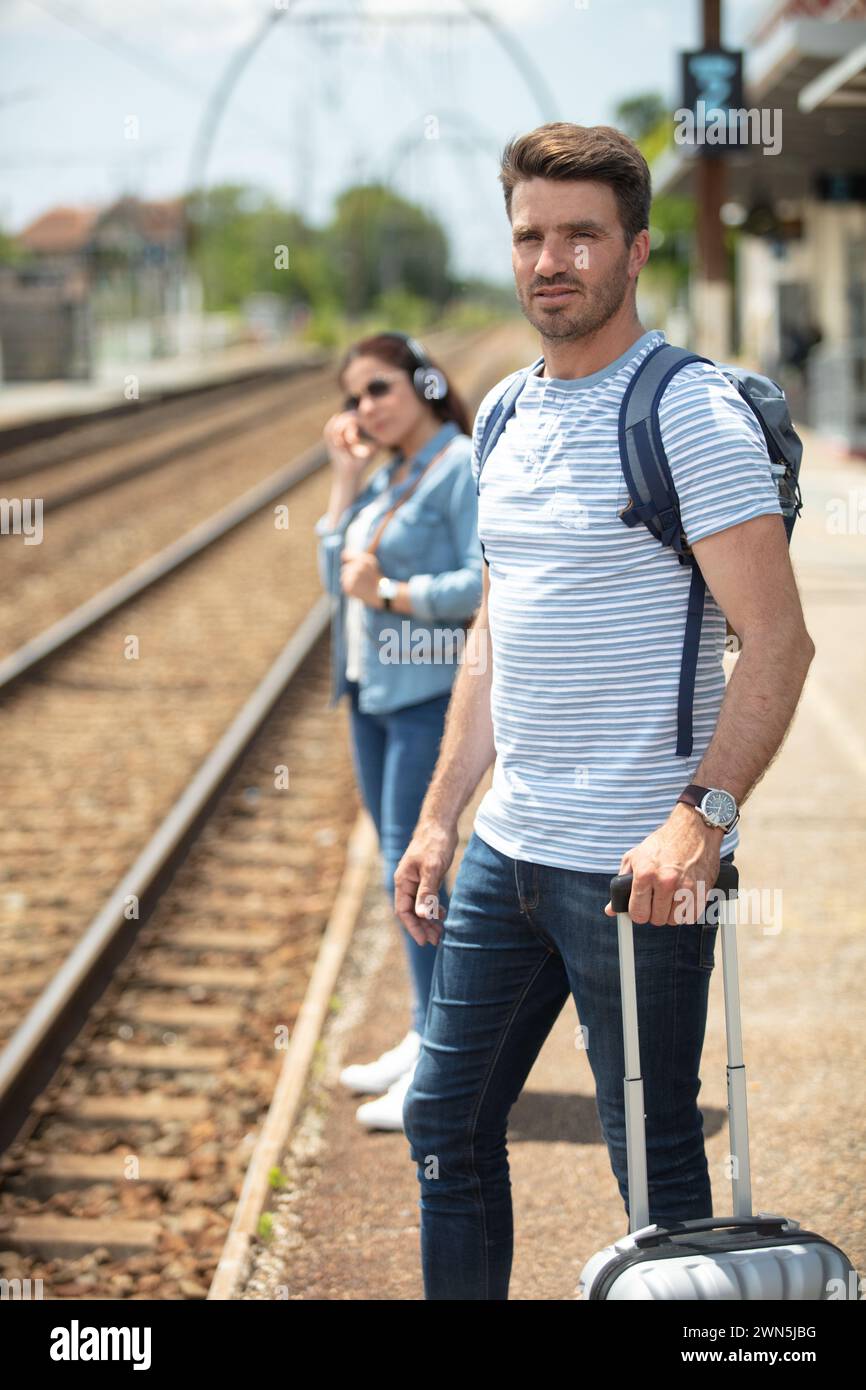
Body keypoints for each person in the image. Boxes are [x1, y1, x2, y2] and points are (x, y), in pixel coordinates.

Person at [394, 123, 816, 1299]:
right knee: (444, 1122)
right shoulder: (501, 417)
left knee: (659, 1181)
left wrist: (702, 822)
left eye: (581, 235)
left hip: (634, 871)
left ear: (634, 250)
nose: (551, 259)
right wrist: (439, 818)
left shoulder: (683, 414)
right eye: (531, 235)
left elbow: (778, 641)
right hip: (505, 853)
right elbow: (493, 631)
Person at [315, 331, 482, 1131]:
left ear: (422, 382)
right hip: (373, 694)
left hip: (427, 696)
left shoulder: (457, 465)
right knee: (404, 872)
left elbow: (484, 580)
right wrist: (344, 483)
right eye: (354, 397)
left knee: (413, 872)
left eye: (379, 388)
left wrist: (396, 596)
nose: (366, 407)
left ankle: (444, 1061)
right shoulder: (393, 473)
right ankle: (426, 1037)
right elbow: (337, 583)